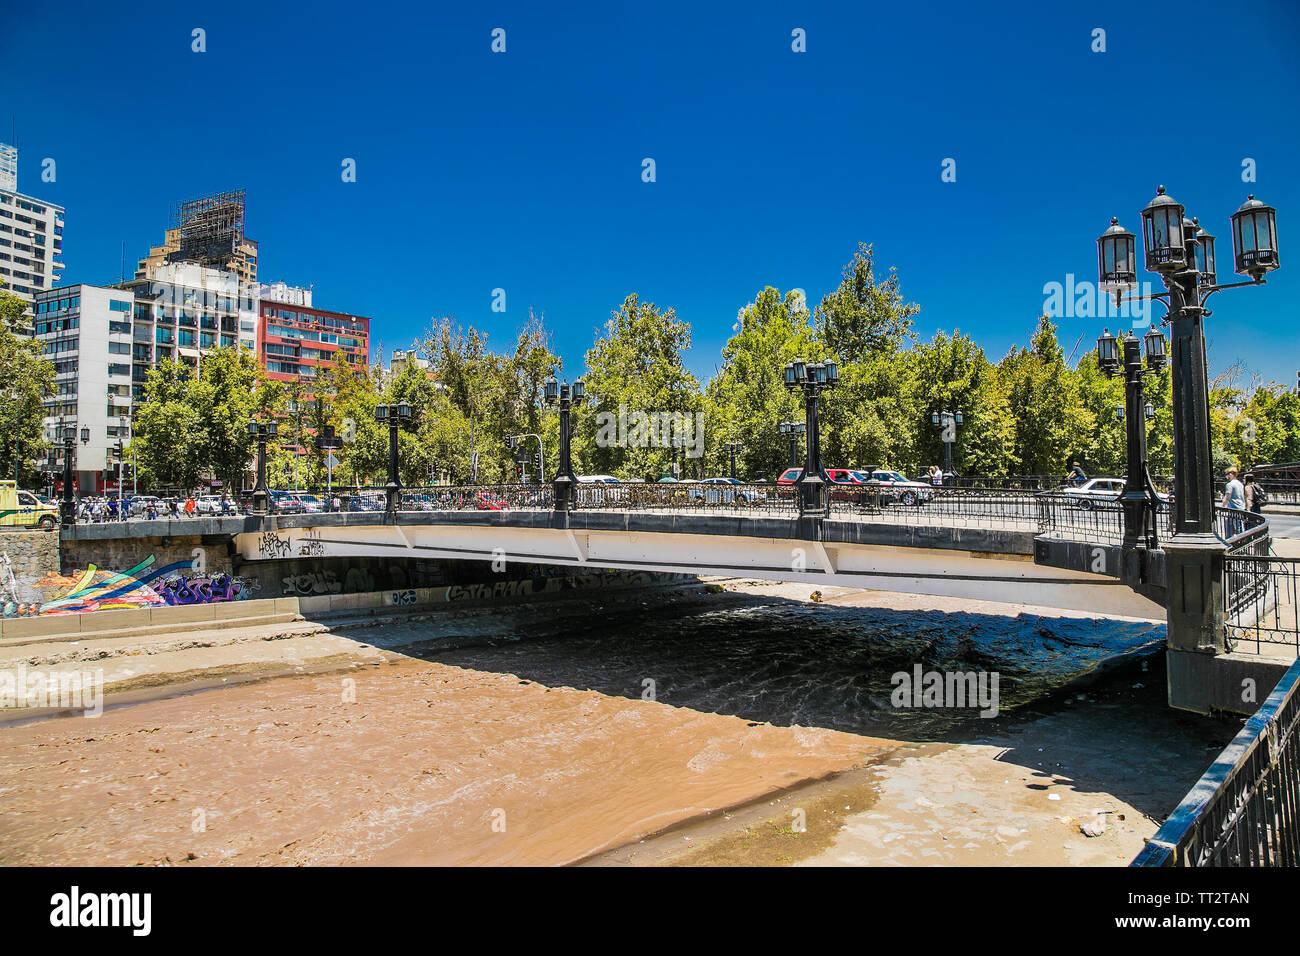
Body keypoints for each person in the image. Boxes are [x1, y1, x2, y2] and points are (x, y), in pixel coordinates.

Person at [1222, 467, 1247, 538]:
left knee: (1230, 526)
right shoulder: (1240, 484)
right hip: (1241, 507)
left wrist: (1223, 506)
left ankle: (1230, 541)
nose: (1226, 476)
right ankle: (1241, 540)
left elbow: (1227, 497)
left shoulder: (1229, 485)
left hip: (1233, 508)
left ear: (1231, 474)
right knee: (1239, 526)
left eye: (1227, 474)